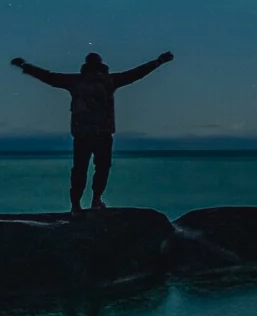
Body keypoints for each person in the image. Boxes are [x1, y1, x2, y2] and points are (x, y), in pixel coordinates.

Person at [10, 49, 174, 212]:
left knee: (80, 169)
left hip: (83, 133)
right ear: (101, 65)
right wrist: (159, 61)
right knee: (101, 167)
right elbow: (137, 73)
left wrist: (25, 65)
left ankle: (76, 204)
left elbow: (48, 76)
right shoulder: (109, 80)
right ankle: (95, 199)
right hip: (102, 132)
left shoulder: (76, 81)